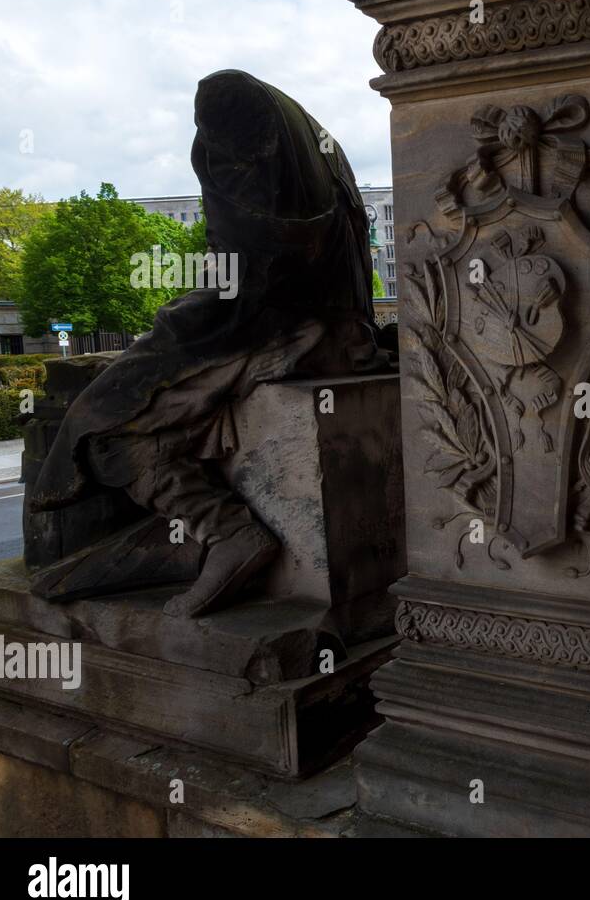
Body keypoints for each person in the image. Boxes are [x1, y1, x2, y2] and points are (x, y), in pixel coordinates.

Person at [29, 70, 387, 618]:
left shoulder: (230, 102)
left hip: (288, 328)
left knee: (100, 428)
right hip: (336, 326)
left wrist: (178, 320)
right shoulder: (315, 136)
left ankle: (225, 532)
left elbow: (247, 270)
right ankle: (180, 535)